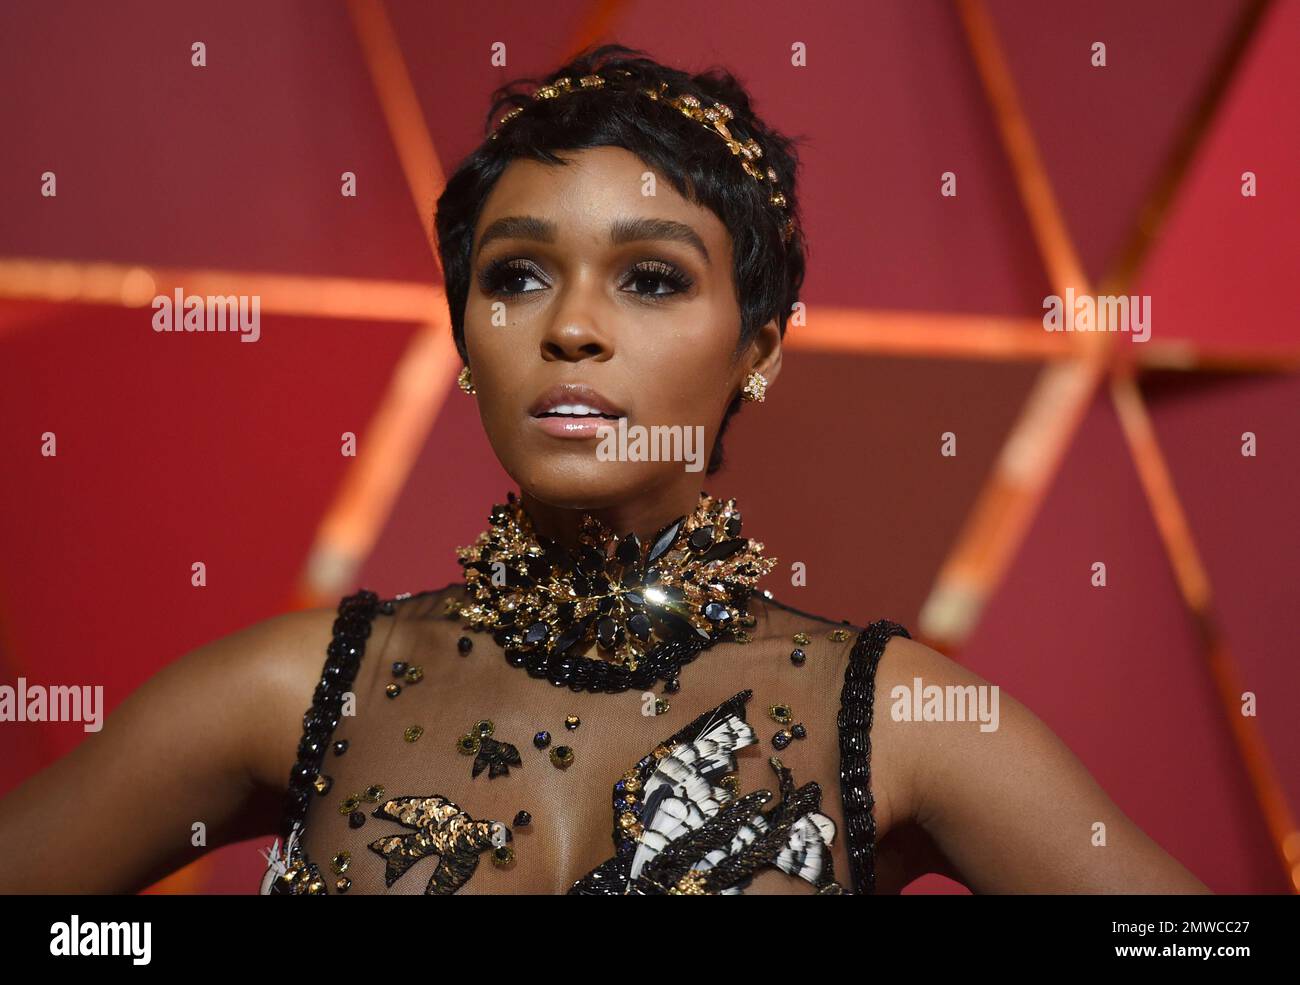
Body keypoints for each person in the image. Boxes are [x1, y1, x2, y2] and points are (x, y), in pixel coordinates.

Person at [0, 44, 1209, 896]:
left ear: (761, 349)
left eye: (651, 277)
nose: (569, 327)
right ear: (467, 338)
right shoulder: (298, 690)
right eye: (516, 275)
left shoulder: (890, 719)